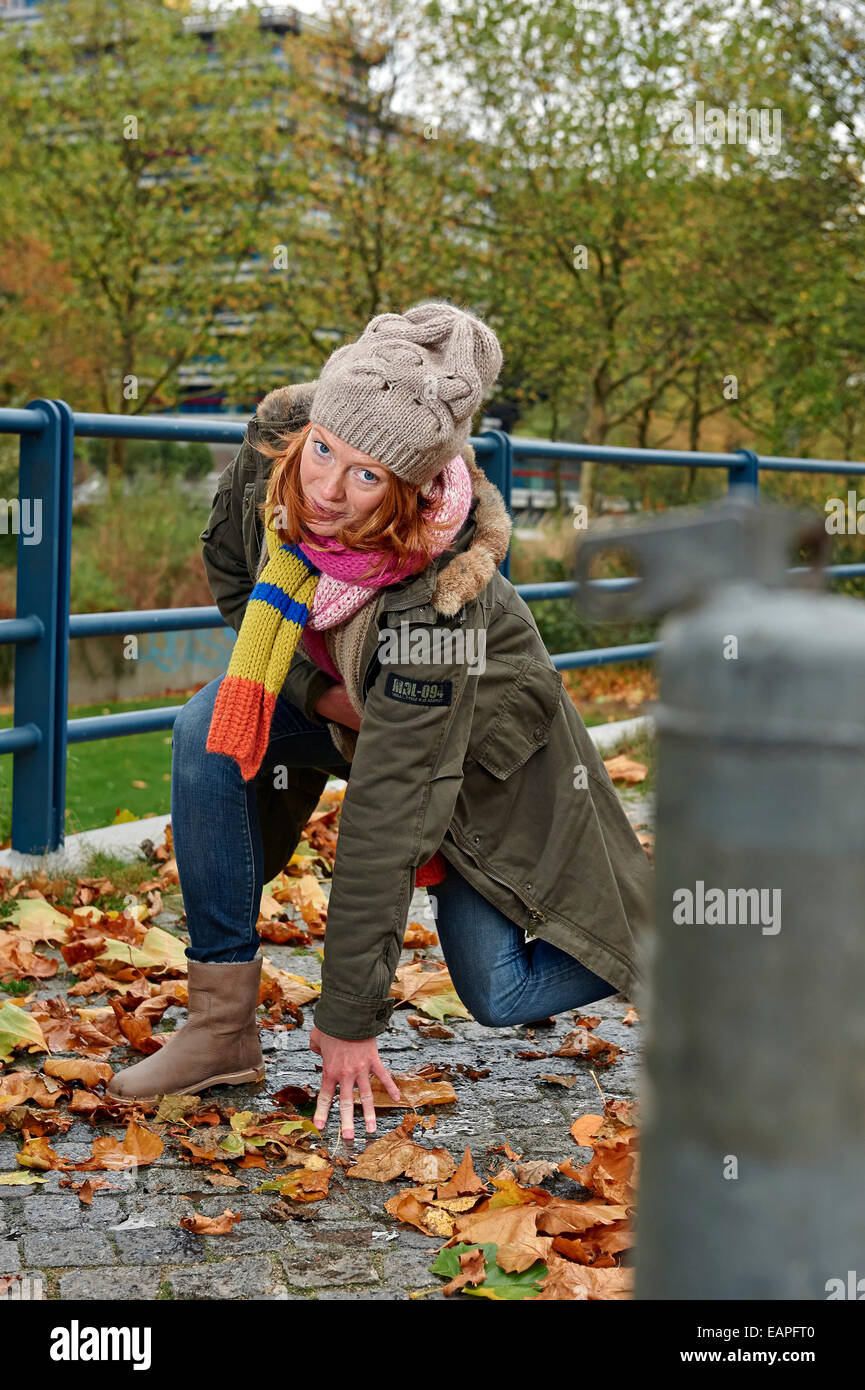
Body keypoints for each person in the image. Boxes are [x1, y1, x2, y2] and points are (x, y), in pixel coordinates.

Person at [107, 300, 653, 1141]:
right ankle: (221, 1028)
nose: (326, 491)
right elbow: (232, 581)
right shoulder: (273, 464)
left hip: (480, 762)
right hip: (350, 716)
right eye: (325, 451)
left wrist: (348, 1019)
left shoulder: (439, 602)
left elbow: (387, 816)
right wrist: (317, 695)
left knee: (500, 991)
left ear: (412, 487)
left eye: (367, 476)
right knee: (204, 725)